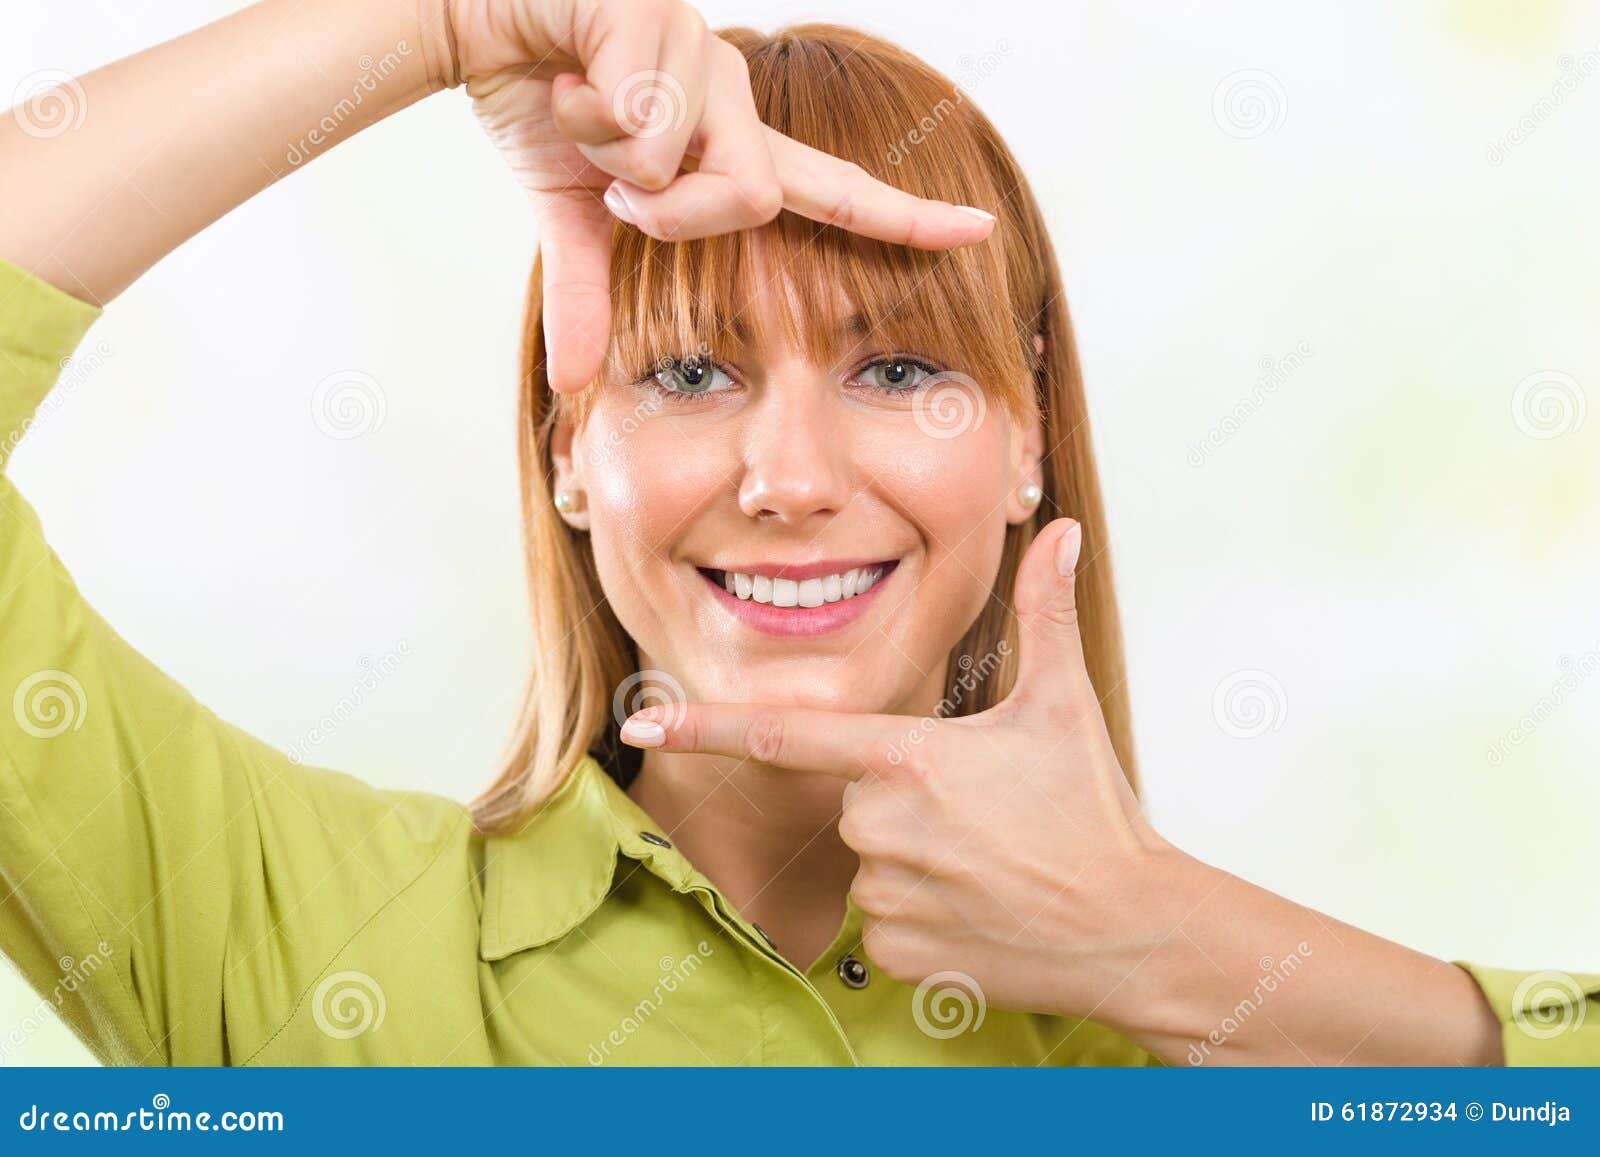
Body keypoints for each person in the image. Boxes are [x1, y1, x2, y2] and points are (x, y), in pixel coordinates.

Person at [1, 0, 1594, 1066]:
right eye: (690, 373)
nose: (789, 473)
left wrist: (1171, 941)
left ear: (1028, 443)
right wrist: (448, 19)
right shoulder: (299, 948)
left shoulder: (1222, 1033)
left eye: (897, 369)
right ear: (570, 454)